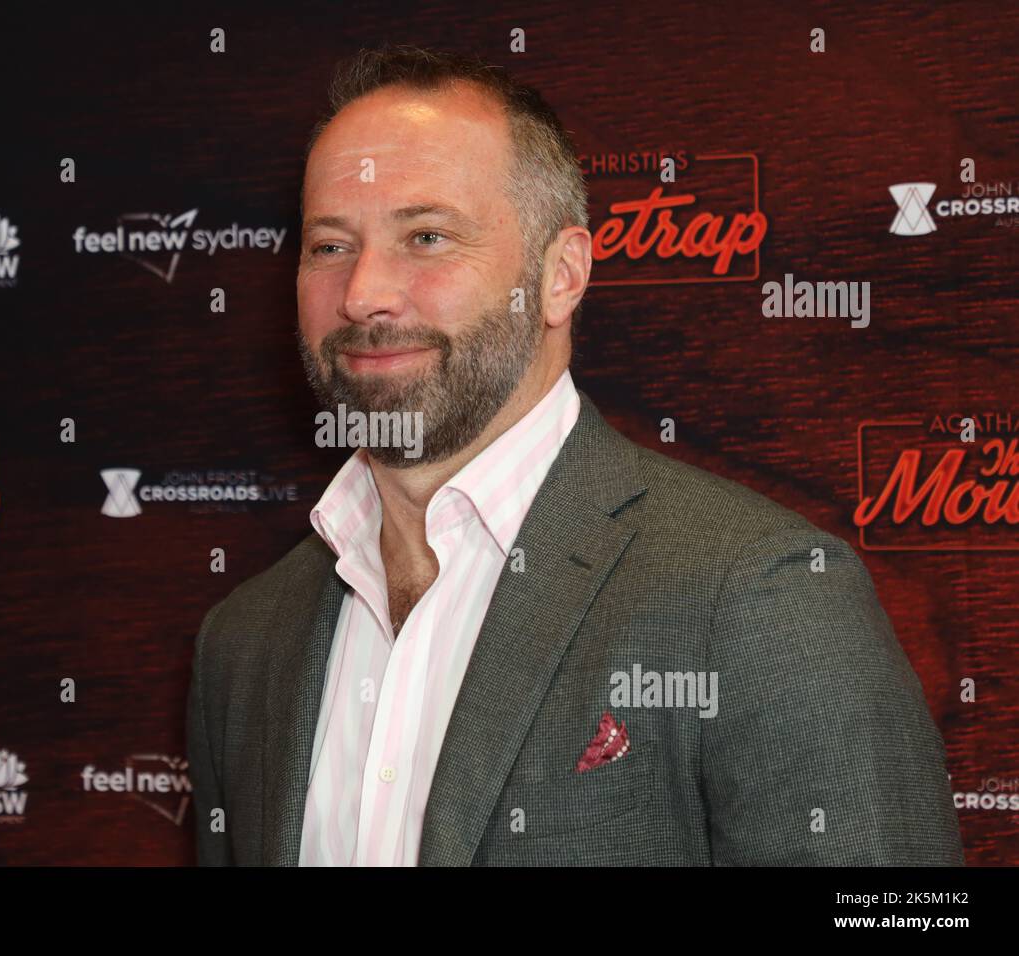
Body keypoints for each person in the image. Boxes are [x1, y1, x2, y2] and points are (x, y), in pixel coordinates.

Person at [185, 44, 964, 866]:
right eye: (330, 246)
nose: (364, 292)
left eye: (427, 235)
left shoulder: (757, 596)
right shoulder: (245, 642)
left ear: (561, 276)